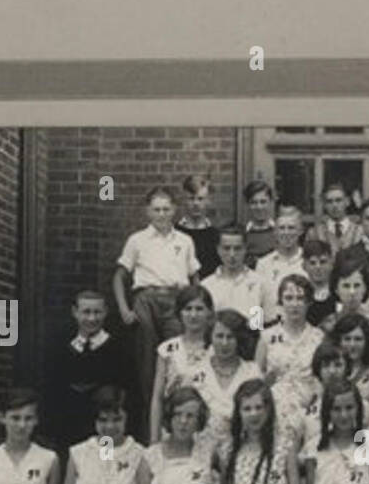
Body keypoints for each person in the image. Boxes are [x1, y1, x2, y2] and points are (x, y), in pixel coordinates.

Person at [113, 187, 201, 439]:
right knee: (148, 371)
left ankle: (177, 431)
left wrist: (194, 307)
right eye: (156, 209)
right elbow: (119, 276)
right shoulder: (137, 240)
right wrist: (124, 309)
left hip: (175, 300)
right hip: (146, 300)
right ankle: (148, 437)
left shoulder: (184, 241)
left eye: (166, 209)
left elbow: (195, 277)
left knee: (178, 361)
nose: (162, 214)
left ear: (174, 210)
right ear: (147, 211)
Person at [46, 290, 133, 453]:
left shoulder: (119, 349)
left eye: (97, 312)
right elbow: (53, 390)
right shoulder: (61, 348)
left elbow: (127, 390)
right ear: (75, 312)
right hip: (69, 426)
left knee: (104, 467)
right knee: (72, 468)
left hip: (106, 428)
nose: (92, 318)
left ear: (105, 312)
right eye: (86, 312)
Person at [255, 273, 325, 449]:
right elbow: (255, 379)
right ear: (280, 302)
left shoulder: (319, 337)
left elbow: (324, 378)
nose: (294, 304)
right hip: (276, 409)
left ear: (309, 302)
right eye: (289, 298)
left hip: (310, 408)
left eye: (300, 298)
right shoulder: (267, 336)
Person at [184, 309, 262, 453]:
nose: (224, 343)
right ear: (210, 337)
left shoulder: (251, 372)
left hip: (241, 447)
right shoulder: (195, 371)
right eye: (219, 336)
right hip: (200, 449)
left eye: (230, 337)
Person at [149, 285, 213, 441]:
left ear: (209, 312)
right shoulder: (168, 349)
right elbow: (157, 398)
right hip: (176, 425)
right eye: (188, 309)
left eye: (199, 309)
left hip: (209, 428)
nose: (193, 315)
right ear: (179, 313)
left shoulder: (217, 348)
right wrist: (154, 438)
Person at [200, 225, 267, 324]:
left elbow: (263, 323)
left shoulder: (259, 283)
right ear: (218, 250)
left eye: (237, 248)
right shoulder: (206, 285)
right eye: (226, 248)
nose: (232, 254)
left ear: (245, 249)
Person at [253, 205, 306, 320]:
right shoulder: (263, 264)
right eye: (282, 228)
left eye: (291, 228)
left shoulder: (308, 262)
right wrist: (254, 333)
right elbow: (256, 303)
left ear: (301, 231)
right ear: (275, 232)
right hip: (270, 330)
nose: (286, 233)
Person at [175, 174, 220, 278]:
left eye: (200, 199)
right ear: (184, 200)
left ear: (208, 201)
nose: (196, 203)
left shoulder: (216, 236)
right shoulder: (174, 233)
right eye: (191, 198)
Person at [313, 180, 363, 252]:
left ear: (347, 202)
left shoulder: (360, 231)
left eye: (338, 200)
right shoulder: (315, 233)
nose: (335, 205)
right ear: (324, 205)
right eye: (329, 201)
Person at [242, 179, 277, 265]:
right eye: (254, 202)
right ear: (247, 204)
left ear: (271, 202)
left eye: (263, 202)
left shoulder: (279, 232)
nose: (259, 207)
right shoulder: (242, 233)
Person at [302, 238, 335, 323]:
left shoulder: (339, 291)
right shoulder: (299, 294)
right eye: (312, 263)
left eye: (323, 262)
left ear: (331, 263)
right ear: (304, 266)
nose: (318, 267)